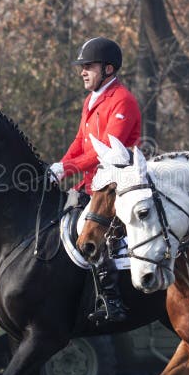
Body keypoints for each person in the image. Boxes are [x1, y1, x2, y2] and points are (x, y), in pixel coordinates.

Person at [49, 37, 141, 324]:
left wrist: (66, 169)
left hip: (116, 182)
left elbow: (103, 148)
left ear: (108, 69)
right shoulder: (91, 100)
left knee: (96, 235)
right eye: (83, 67)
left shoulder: (123, 100)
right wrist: (61, 165)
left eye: (88, 66)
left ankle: (112, 300)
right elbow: (81, 141)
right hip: (91, 183)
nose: (83, 72)